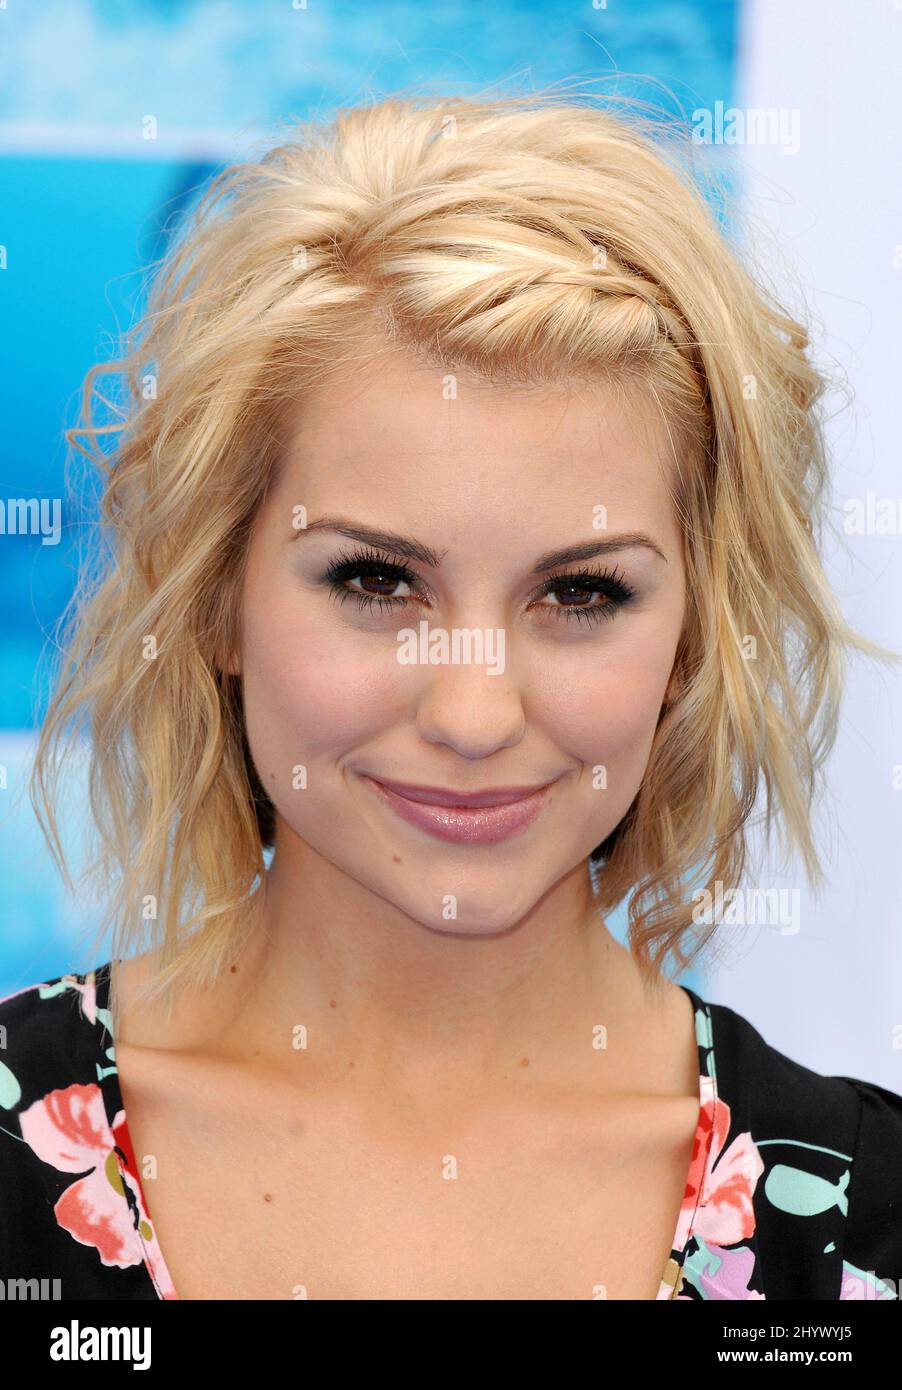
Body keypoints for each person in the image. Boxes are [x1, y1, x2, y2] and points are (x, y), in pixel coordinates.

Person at [2, 87, 901, 1302]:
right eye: (376, 581)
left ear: (694, 632)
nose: (473, 718)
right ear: (211, 592)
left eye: (579, 594)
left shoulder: (864, 1217)